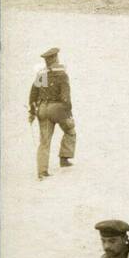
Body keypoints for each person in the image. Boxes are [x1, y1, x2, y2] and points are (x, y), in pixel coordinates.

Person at [29, 47, 76, 179]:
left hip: (42, 109)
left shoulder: (42, 74)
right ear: (56, 58)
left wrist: (32, 111)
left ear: (46, 61)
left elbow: (33, 93)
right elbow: (65, 97)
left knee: (44, 141)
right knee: (70, 131)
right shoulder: (62, 75)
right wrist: (69, 114)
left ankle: (42, 171)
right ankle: (64, 158)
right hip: (58, 109)